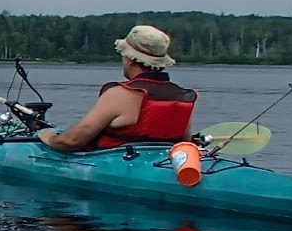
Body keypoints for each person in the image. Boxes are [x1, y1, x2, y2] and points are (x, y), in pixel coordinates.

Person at [37, 24, 197, 153]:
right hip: (159, 166)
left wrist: (48, 137)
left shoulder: (120, 94)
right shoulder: (183, 96)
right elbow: (185, 142)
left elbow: (72, 141)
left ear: (130, 60)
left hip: (115, 167)